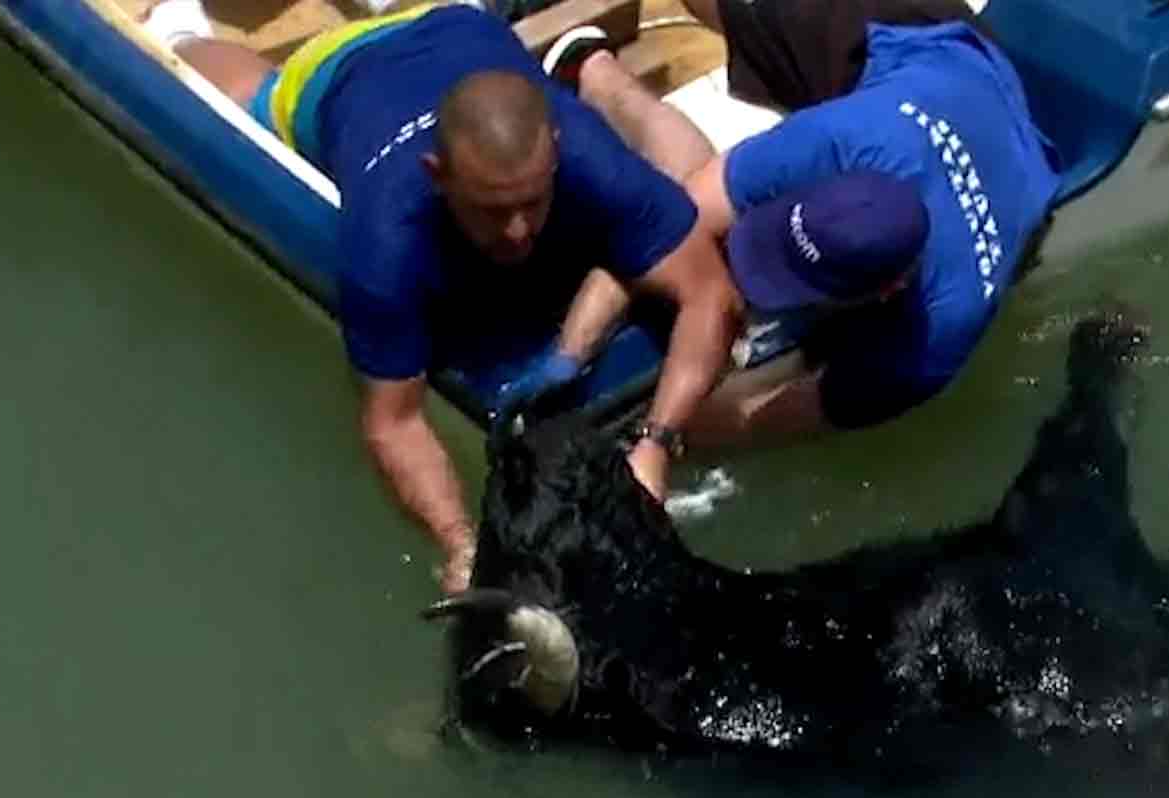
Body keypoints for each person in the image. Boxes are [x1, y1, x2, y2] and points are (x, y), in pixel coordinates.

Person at [140, 1, 743, 592]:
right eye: (491, 210)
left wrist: (657, 444)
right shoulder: (387, 235)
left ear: (555, 151)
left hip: (460, 22)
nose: (517, 231)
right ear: (437, 175)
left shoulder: (590, 162)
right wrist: (459, 542)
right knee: (251, 90)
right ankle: (181, 25)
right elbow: (393, 421)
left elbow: (708, 295)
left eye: (532, 203)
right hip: (345, 70)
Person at [555, 0, 1062, 451]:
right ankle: (595, 72)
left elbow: (756, 421)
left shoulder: (934, 340)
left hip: (1000, 125)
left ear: (888, 289)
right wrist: (569, 353)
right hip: (920, 39)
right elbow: (675, 217)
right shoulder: (844, 138)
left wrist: (649, 439)